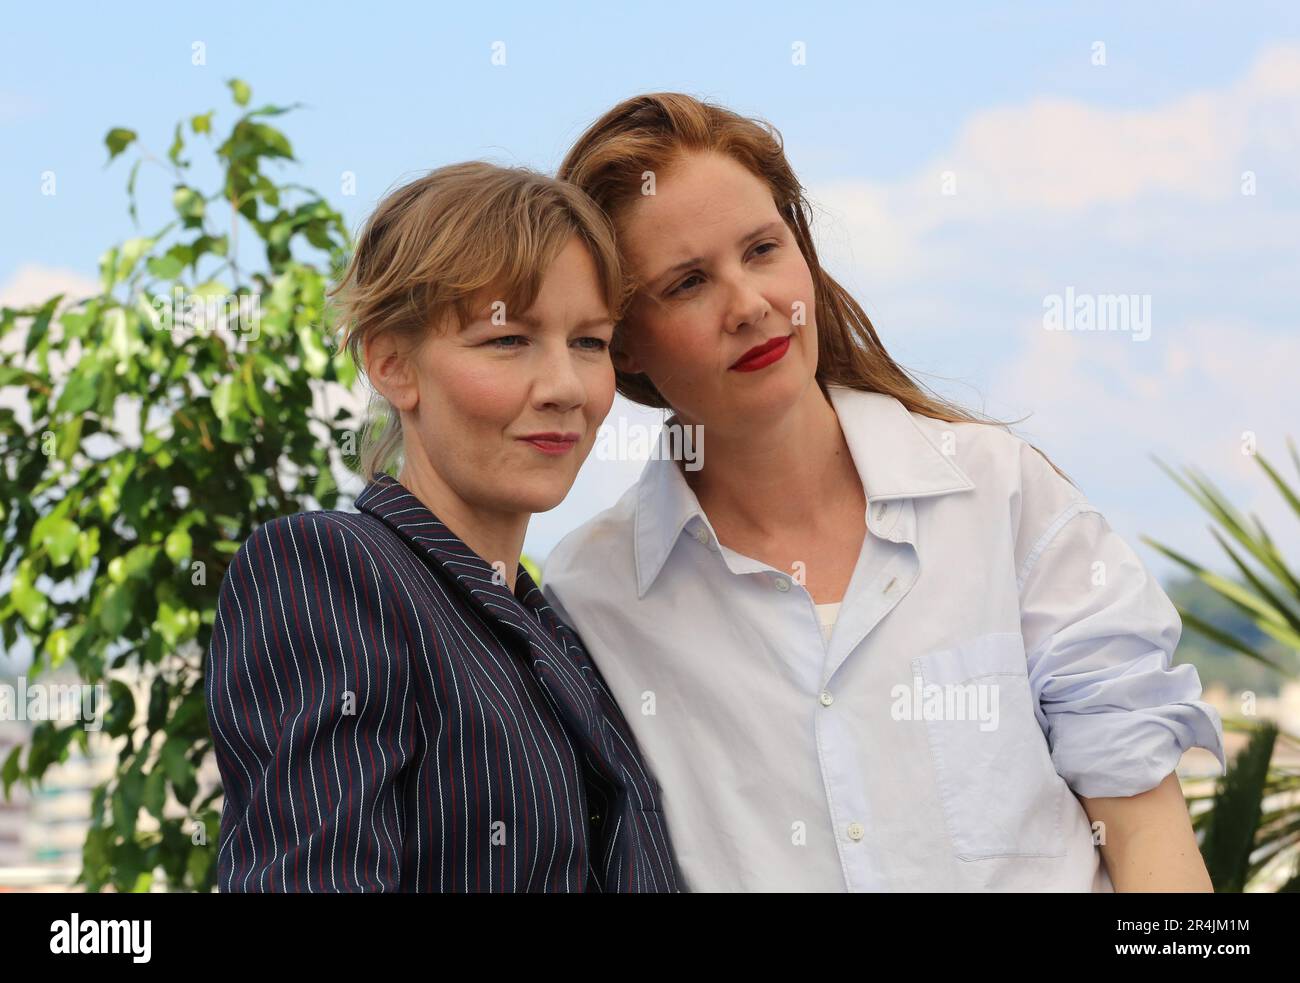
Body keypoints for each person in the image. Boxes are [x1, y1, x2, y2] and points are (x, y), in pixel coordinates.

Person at [541, 93, 1227, 892]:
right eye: (689, 282)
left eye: (763, 249)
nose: (750, 305)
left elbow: (1147, 836)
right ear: (622, 343)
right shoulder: (591, 598)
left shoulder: (999, 495)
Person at [206, 161, 679, 892]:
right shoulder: (329, 568)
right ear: (393, 365)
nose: (563, 388)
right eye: (507, 339)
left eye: (589, 342)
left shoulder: (554, 624)